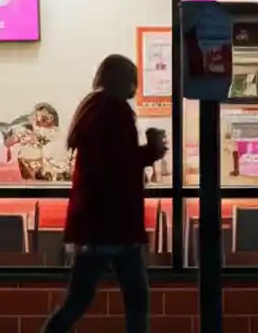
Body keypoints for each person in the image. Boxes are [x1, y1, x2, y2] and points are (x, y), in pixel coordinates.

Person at [42, 55, 166, 333]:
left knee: (78, 301)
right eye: (132, 80)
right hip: (114, 223)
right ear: (122, 81)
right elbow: (118, 165)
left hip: (93, 224)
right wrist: (151, 151)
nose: (135, 87)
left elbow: (108, 161)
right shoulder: (115, 111)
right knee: (136, 299)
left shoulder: (92, 108)